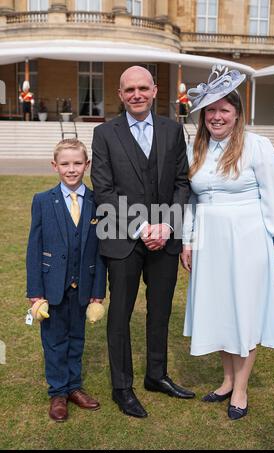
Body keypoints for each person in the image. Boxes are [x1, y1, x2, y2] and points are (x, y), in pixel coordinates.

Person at [181, 64, 274, 420]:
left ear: (236, 113)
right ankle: (227, 379)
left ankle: (241, 389)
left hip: (248, 240)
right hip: (209, 241)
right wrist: (187, 240)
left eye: (224, 110)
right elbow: (191, 200)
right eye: (211, 110)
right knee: (221, 308)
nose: (216, 116)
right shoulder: (195, 148)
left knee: (244, 309)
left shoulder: (257, 146)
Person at [91, 65, 195, 418]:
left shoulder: (172, 130)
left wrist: (165, 226)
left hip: (164, 238)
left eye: (143, 88)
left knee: (160, 310)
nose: (136, 94)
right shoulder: (104, 134)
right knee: (119, 314)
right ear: (120, 95)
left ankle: (156, 374)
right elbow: (103, 191)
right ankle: (122, 387)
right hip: (121, 237)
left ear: (154, 90)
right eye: (129, 89)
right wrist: (141, 228)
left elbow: (182, 182)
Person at [26, 138, 107, 422]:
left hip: (83, 286)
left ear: (87, 165)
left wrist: (98, 292)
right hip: (52, 288)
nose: (71, 169)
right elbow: (34, 247)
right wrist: (35, 292)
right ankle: (58, 392)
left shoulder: (98, 202)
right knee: (54, 341)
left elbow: (100, 252)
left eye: (77, 163)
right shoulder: (43, 201)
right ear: (54, 166)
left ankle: (74, 387)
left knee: (77, 339)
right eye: (65, 164)